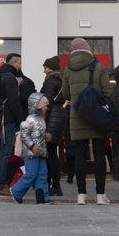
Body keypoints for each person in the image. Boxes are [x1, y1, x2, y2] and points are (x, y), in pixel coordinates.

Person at [62, 37, 113, 205]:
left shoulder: (68, 69)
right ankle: (100, 195)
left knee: (80, 156)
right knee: (99, 155)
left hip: (77, 115)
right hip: (96, 116)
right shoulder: (98, 66)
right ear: (87, 49)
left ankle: (81, 195)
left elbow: (66, 95)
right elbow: (107, 91)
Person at [12, 92, 54, 204]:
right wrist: (32, 146)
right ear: (37, 106)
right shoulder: (30, 119)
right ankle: (17, 191)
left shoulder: (41, 119)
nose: (46, 108)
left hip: (41, 152)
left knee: (42, 175)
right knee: (31, 173)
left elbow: (39, 133)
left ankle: (42, 198)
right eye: (44, 106)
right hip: (31, 153)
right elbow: (24, 134)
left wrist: (46, 136)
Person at [0, 53, 24, 197]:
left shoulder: (0, 76)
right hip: (8, 121)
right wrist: (21, 120)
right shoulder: (9, 78)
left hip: (0, 119)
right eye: (20, 63)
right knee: (4, 153)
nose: (20, 66)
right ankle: (1, 185)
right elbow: (13, 102)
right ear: (15, 63)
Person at [40, 56, 68, 196]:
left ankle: (55, 186)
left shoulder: (50, 81)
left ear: (50, 68)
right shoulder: (60, 80)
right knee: (53, 153)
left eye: (45, 68)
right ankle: (55, 186)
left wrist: (41, 118)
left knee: (50, 153)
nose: (44, 71)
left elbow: (47, 102)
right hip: (59, 116)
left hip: (52, 118)